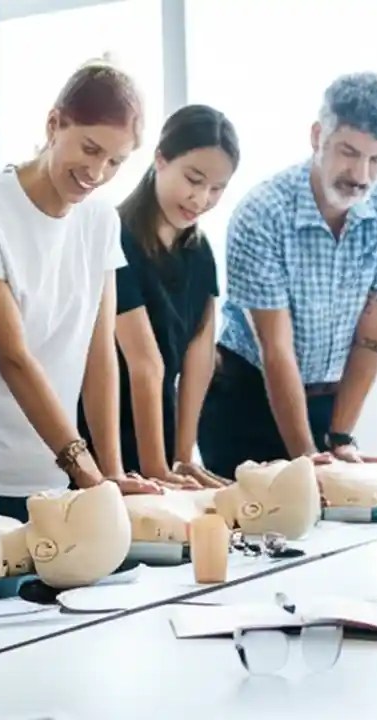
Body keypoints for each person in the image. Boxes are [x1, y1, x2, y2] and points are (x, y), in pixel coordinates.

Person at [0, 61, 163, 523]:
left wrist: (112, 470)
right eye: (89, 148)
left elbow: (99, 353)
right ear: (54, 124)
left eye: (115, 161)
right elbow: (13, 357)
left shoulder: (100, 221)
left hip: (45, 472)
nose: (97, 172)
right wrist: (86, 471)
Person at [198, 72, 377, 479]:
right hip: (247, 401)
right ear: (318, 136)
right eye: (349, 152)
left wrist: (341, 436)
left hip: (327, 402)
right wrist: (308, 461)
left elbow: (375, 327)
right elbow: (275, 348)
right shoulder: (262, 212)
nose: (361, 174)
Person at [93, 104, 239, 489]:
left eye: (216, 189)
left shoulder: (200, 251)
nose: (200, 199)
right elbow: (146, 364)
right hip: (105, 440)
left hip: (164, 429)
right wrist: (157, 468)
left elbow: (199, 360)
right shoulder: (114, 236)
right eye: (193, 179)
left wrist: (184, 456)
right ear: (160, 159)